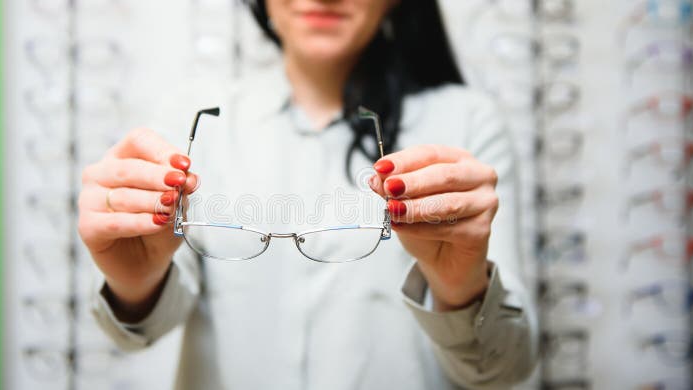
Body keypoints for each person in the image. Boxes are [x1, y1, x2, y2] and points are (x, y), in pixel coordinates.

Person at [77, 0, 538, 389]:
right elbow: (138, 333)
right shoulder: (197, 120)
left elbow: (506, 368)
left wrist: (460, 289)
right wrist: (135, 285)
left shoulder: (467, 125)